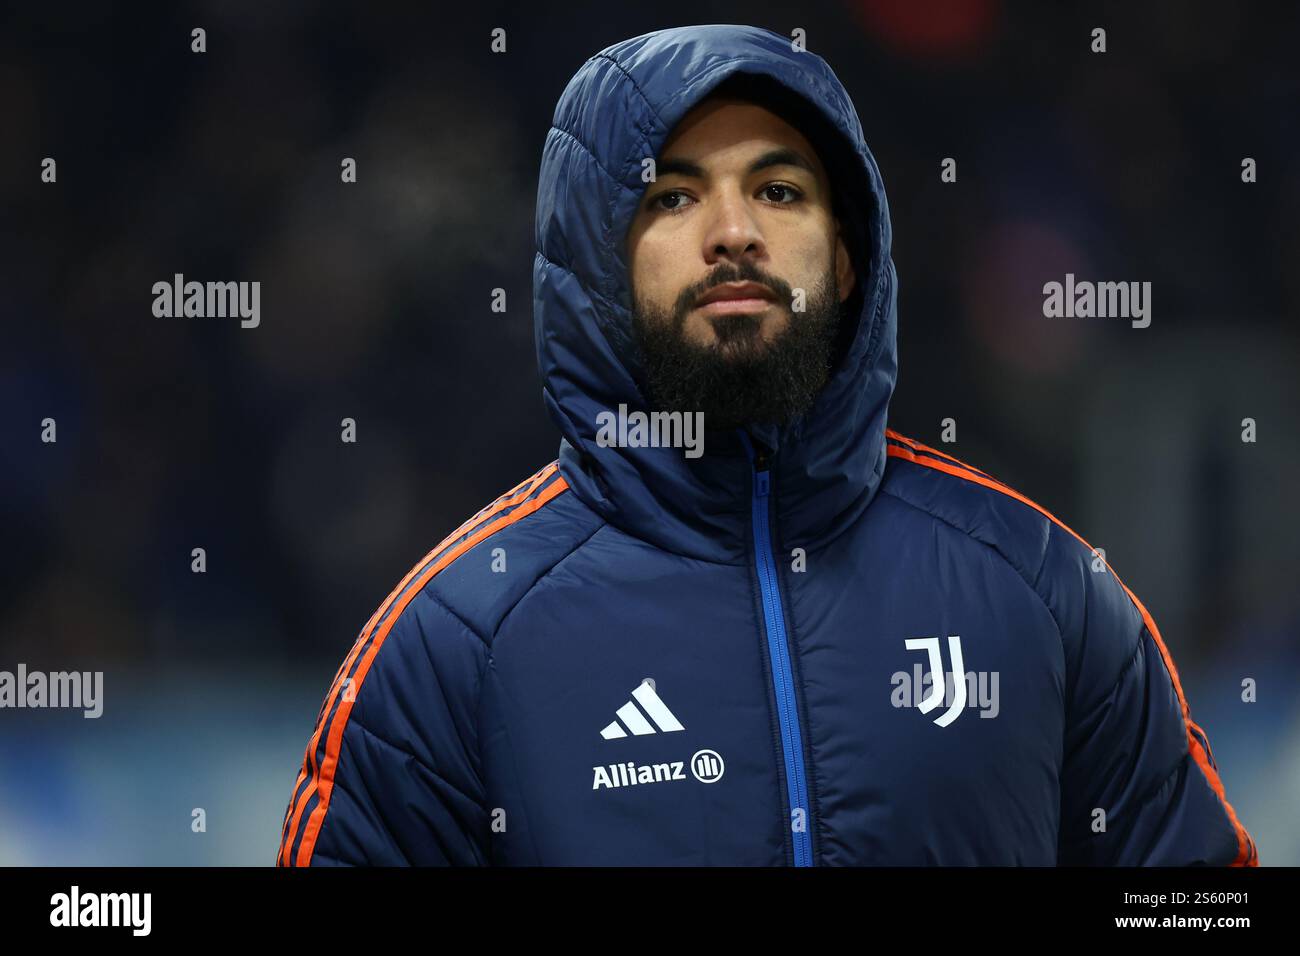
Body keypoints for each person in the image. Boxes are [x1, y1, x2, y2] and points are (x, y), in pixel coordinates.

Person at [277, 24, 1257, 866]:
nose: (734, 231)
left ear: (843, 253)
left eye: (780, 190)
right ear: (595, 261)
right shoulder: (453, 643)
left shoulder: (1044, 590)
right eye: (672, 195)